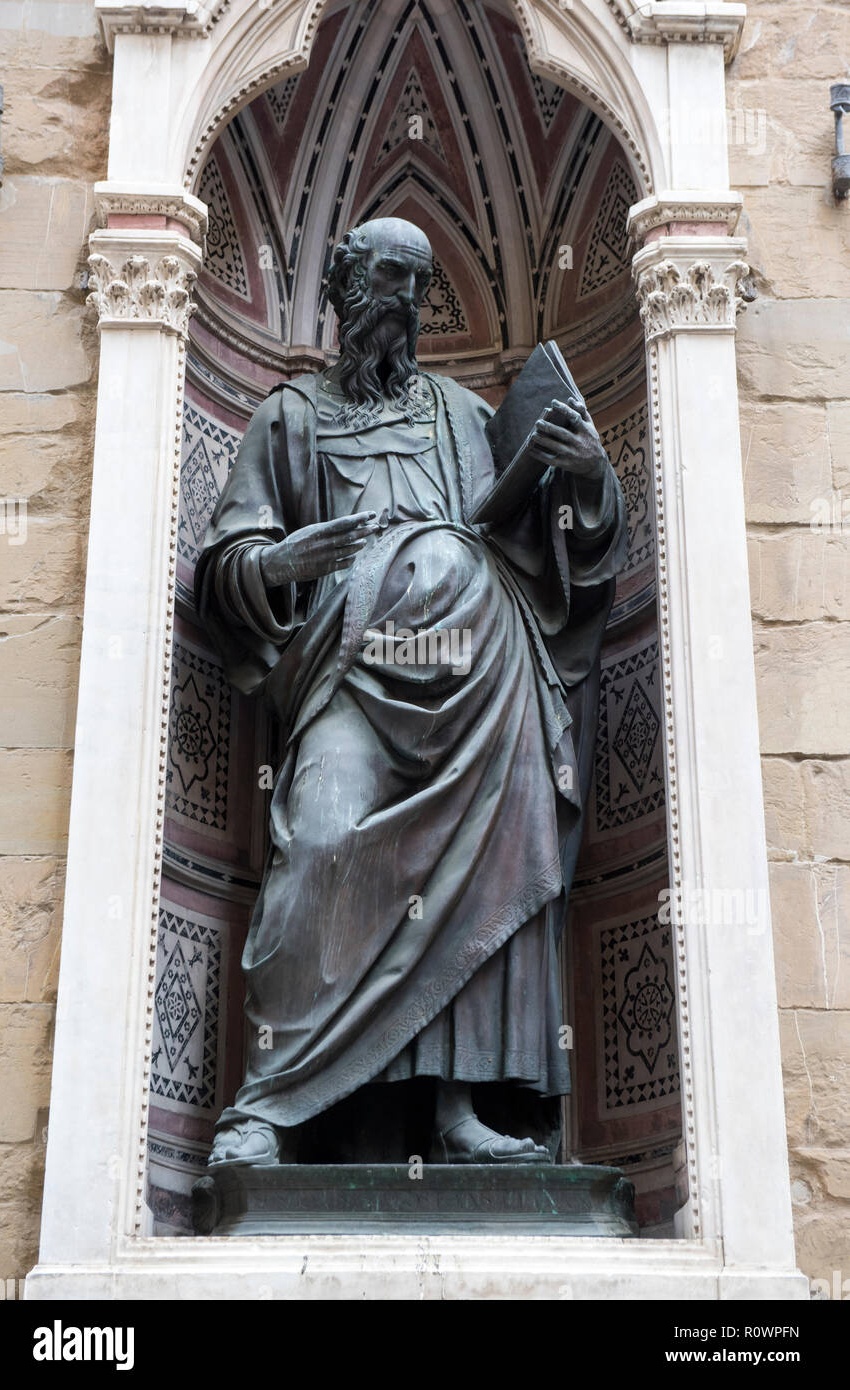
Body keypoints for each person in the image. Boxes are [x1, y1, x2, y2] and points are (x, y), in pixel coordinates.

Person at [194, 217, 627, 1166]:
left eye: (418, 285)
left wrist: (587, 482)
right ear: (345, 285)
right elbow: (222, 566)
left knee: (491, 858)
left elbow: (550, 555)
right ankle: (269, 1105)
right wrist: (277, 561)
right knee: (319, 837)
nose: (401, 298)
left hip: (483, 677)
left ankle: (458, 1112)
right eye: (386, 276)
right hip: (349, 674)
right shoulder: (291, 418)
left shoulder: (465, 416)